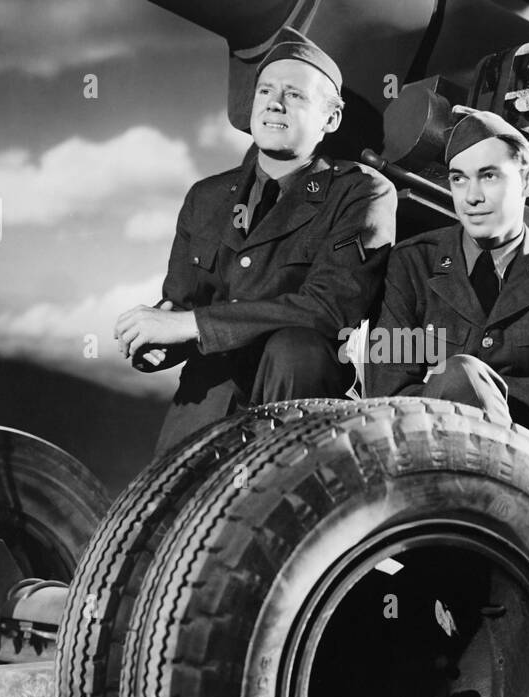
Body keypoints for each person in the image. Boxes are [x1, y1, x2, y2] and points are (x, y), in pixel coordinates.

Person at [115, 27, 396, 455]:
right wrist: (154, 341)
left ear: (331, 118)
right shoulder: (206, 197)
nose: (274, 103)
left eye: (294, 95)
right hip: (205, 406)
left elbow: (327, 309)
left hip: (299, 401)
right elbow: (181, 304)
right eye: (265, 90)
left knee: (296, 347)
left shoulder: (361, 193)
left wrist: (188, 324)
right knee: (162, 518)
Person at [366, 107, 529, 485]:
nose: (472, 197)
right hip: (434, 462)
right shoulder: (412, 265)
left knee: (458, 373)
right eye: (459, 180)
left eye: (489, 176)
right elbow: (387, 393)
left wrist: (460, 385)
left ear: (527, 180)